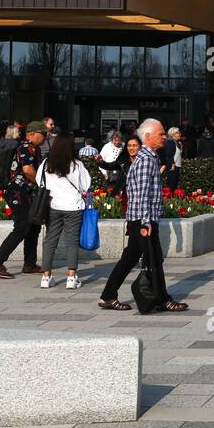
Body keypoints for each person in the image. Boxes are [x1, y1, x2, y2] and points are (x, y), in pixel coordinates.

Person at [98, 119, 186, 313]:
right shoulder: (146, 159)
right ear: (147, 137)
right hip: (143, 220)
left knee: (129, 259)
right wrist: (146, 222)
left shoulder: (148, 157)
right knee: (154, 259)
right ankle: (163, 299)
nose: (164, 137)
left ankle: (108, 296)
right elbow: (141, 194)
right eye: (161, 134)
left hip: (139, 218)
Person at [0, 120, 47, 279]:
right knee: (22, 226)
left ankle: (30, 264)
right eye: (43, 134)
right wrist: (42, 184)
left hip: (26, 192)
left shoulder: (35, 148)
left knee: (34, 226)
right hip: (17, 192)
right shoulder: (26, 147)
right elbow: (27, 170)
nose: (45, 137)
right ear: (32, 134)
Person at [37, 133, 91, 291]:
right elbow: (86, 184)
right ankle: (71, 277)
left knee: (50, 240)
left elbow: (39, 181)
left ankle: (46, 276)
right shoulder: (77, 164)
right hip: (74, 206)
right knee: (71, 241)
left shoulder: (47, 163)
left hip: (54, 205)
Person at [161, 127, 183, 193]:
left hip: (176, 166)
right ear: (173, 134)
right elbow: (169, 155)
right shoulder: (170, 141)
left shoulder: (176, 142)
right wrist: (172, 164)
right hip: (173, 167)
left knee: (174, 185)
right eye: (178, 133)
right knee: (171, 185)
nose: (180, 134)